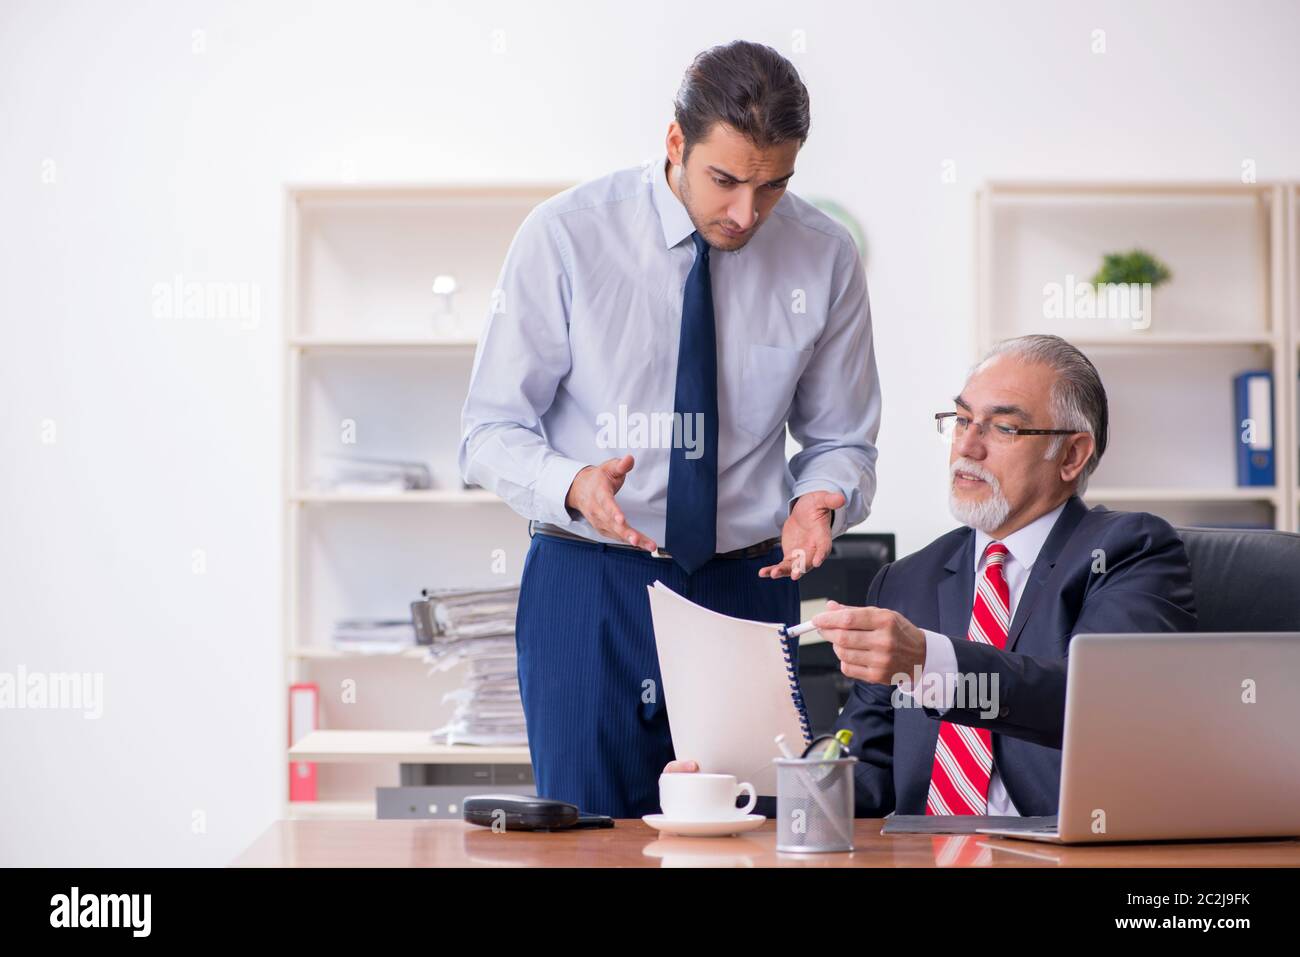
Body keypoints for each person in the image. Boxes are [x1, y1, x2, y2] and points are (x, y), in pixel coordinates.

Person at [458, 40, 881, 819]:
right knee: (585, 836)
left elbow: (843, 439)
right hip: (591, 582)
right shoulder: (565, 237)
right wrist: (574, 484)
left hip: (745, 590)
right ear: (676, 144)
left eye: (773, 186)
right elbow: (488, 430)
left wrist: (820, 498)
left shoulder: (824, 258)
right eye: (725, 181)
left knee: (752, 836)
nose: (745, 213)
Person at [668, 334, 1196, 819]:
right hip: (923, 854)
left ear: (1072, 455)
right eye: (962, 419)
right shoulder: (906, 581)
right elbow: (869, 776)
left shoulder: (1129, 551)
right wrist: (734, 793)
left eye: (1004, 427)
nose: (968, 446)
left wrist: (929, 662)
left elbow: (1107, 705)